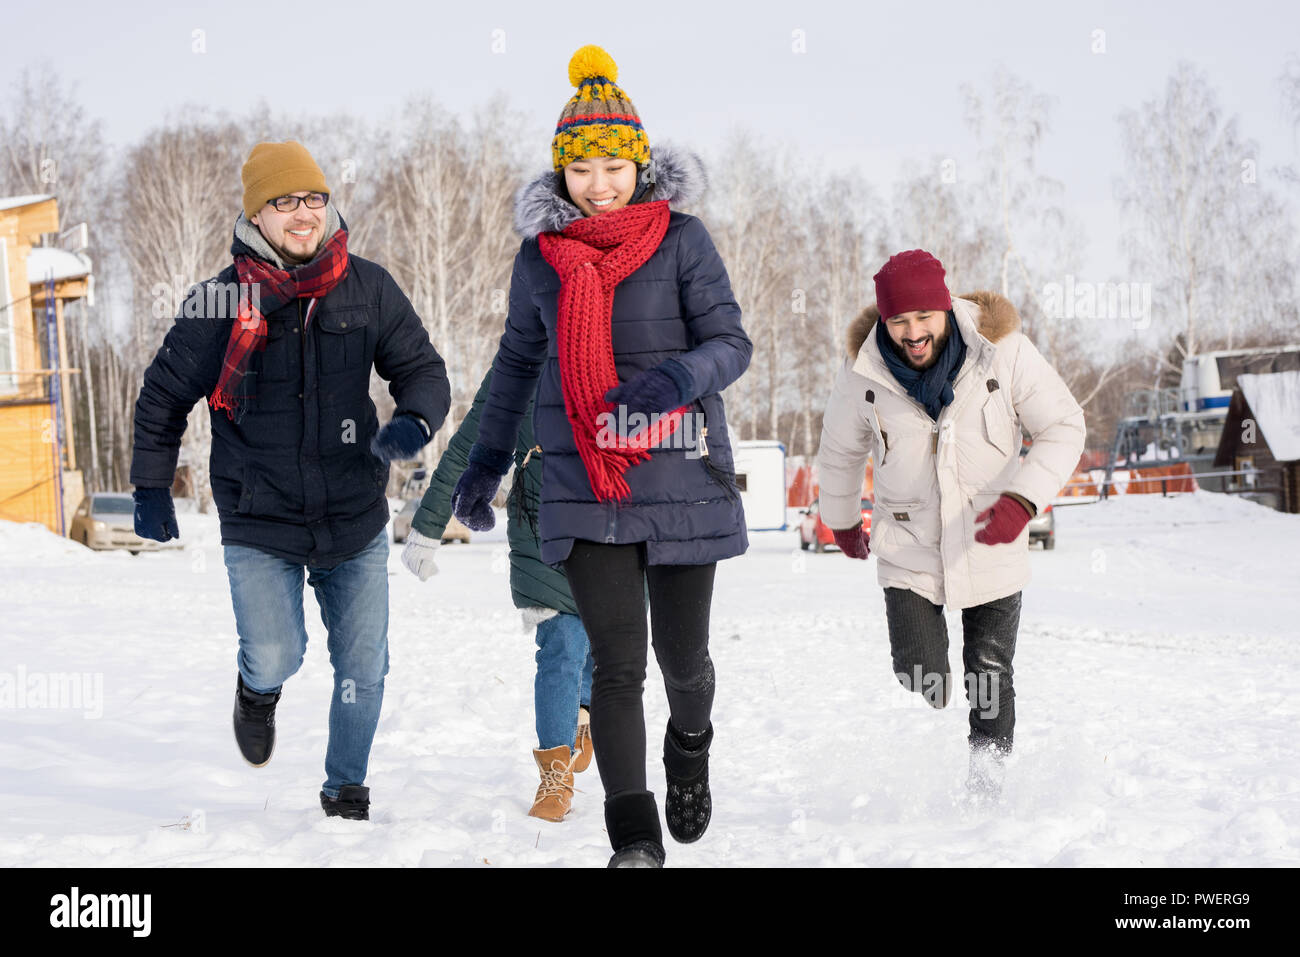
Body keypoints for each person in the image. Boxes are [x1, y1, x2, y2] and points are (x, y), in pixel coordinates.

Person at [451, 46, 751, 866]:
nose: (601, 184)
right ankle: (635, 840)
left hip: (681, 475)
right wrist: (484, 466)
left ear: (639, 161)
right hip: (585, 483)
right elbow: (517, 364)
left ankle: (690, 749)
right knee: (615, 669)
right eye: (583, 168)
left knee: (682, 662)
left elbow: (732, 343)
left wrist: (672, 383)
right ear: (562, 172)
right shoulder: (539, 261)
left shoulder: (683, 242)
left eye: (615, 164)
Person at [130, 140, 450, 821]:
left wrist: (415, 419)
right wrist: (152, 486)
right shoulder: (219, 303)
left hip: (354, 511)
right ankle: (258, 688)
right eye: (284, 201)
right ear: (257, 214)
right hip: (259, 512)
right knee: (277, 651)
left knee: (364, 669)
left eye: (312, 198)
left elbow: (421, 367)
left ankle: (346, 790)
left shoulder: (367, 286)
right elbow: (162, 396)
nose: (302, 214)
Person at [816, 249, 1085, 799]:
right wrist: (841, 520)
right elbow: (841, 451)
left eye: (923, 318)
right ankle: (929, 676)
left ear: (945, 308)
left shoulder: (1002, 354)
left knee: (988, 675)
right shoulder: (863, 371)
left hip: (990, 536)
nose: (912, 333)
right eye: (898, 320)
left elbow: (1064, 425)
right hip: (909, 543)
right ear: (883, 319)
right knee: (920, 671)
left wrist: (1023, 500)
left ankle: (986, 787)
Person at [402, 368, 595, 822]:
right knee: (561, 644)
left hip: (617, 517)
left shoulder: (630, 335)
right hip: (541, 525)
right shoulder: (525, 352)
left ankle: (582, 711)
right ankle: (555, 775)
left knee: (603, 640)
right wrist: (429, 527)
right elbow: (472, 444)